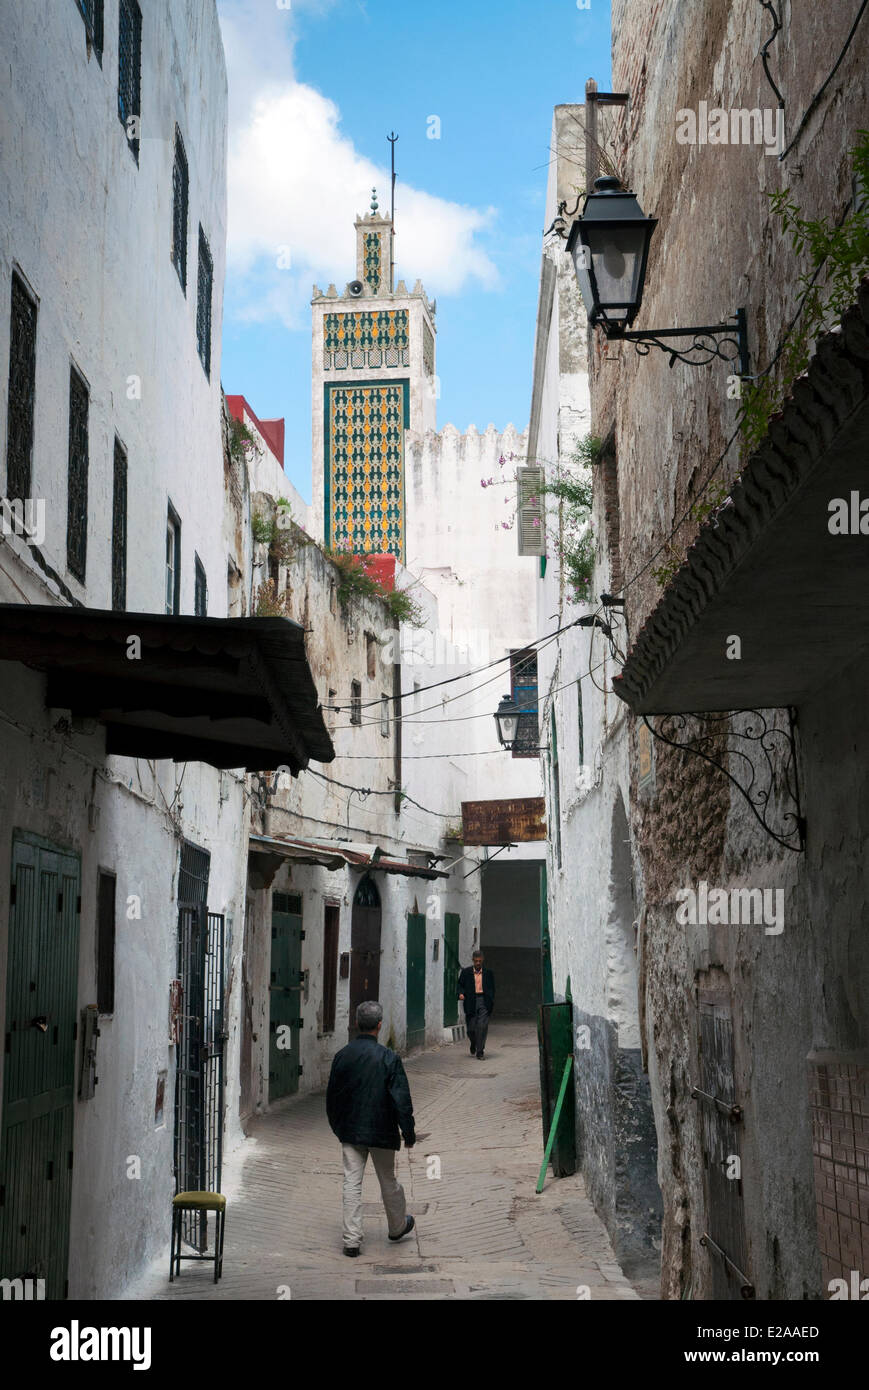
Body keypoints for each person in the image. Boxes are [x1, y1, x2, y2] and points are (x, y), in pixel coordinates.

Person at [326, 1000, 416, 1256]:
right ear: (379, 1025)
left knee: (351, 1182)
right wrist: (408, 1133)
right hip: (382, 1130)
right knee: (388, 1180)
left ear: (356, 1023)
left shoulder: (342, 1056)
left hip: (351, 1130)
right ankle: (398, 1226)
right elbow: (402, 1100)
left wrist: (338, 1126)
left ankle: (352, 1240)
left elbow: (332, 1097)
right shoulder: (389, 1058)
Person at [458, 949, 495, 1059]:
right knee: (471, 1029)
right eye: (476, 961)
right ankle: (474, 1043)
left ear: (482, 960)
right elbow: (460, 985)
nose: (478, 963)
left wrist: (490, 1000)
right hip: (471, 1001)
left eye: (479, 961)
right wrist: (460, 993)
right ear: (473, 961)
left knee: (482, 1027)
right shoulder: (466, 972)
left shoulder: (488, 973)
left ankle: (480, 1051)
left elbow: (492, 988)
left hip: (483, 1001)